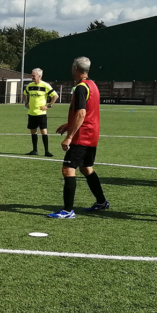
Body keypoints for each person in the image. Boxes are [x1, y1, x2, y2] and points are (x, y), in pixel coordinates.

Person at [48, 57, 109, 219]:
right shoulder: (93, 85)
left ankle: (68, 211)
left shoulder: (81, 88)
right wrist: (69, 124)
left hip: (82, 136)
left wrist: (69, 137)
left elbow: (82, 113)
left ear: (75, 68)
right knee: (86, 168)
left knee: (68, 169)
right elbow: (87, 112)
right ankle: (102, 201)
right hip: (92, 134)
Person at [24, 68, 58, 156]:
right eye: (32, 75)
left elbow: (55, 96)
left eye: (33, 75)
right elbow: (25, 94)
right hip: (31, 113)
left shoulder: (45, 85)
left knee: (43, 131)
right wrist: (26, 103)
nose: (32, 77)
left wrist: (48, 105)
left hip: (41, 114)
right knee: (33, 131)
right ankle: (34, 150)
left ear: (39, 76)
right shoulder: (30, 86)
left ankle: (47, 151)